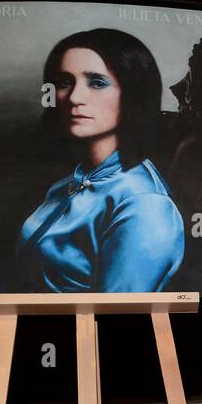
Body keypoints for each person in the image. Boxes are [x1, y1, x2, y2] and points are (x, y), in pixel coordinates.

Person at [15, 28, 184, 293]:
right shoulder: (71, 181)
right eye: (64, 82)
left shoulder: (144, 204)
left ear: (132, 93)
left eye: (97, 82)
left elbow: (117, 320)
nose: (74, 98)